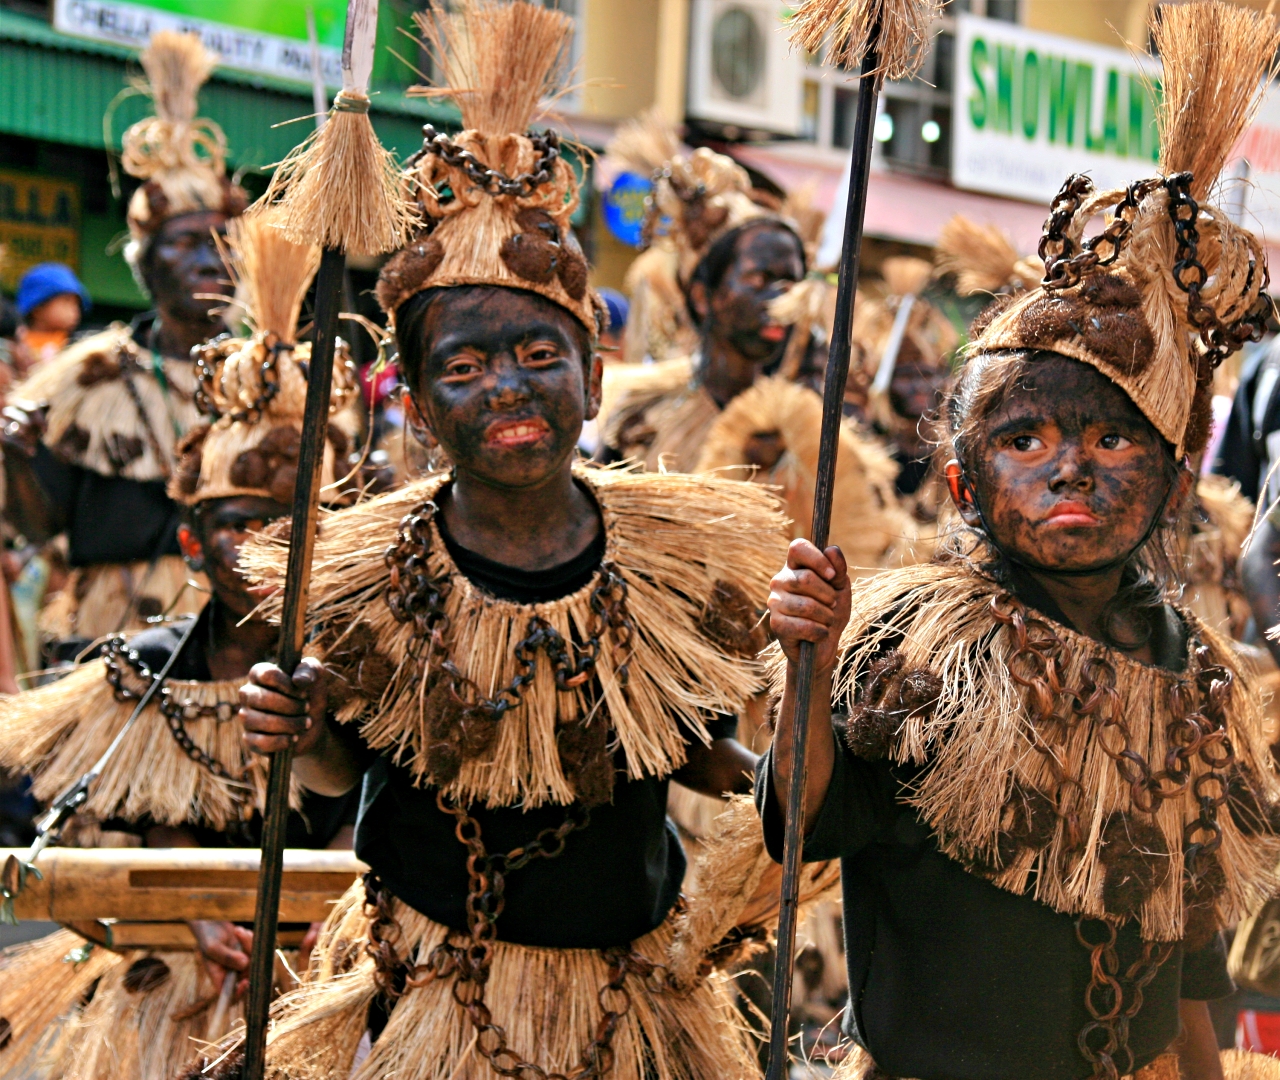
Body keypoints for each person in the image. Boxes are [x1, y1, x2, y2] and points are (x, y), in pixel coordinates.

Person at [183, 5, 814, 1079]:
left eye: (535, 352)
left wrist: (796, 742)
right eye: (464, 372)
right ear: (420, 410)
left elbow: (703, 753)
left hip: (626, 1002)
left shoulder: (669, 559)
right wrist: (298, 724)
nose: (507, 388)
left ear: (592, 376)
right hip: (434, 996)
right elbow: (342, 774)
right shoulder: (363, 568)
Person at [759, 4, 1280, 1079]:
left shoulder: (1189, 674)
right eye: (1024, 438)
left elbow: (1190, 968)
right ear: (961, 480)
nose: (1069, 468)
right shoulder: (910, 650)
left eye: (1109, 438)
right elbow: (798, 831)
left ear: (1173, 479)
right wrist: (804, 666)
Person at [0, 209, 362, 1080]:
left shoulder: (367, 676)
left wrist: (330, 925)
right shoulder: (128, 679)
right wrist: (180, 909)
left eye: (287, 523)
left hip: (328, 989)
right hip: (164, 984)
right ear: (194, 542)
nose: (261, 547)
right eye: (237, 525)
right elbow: (76, 842)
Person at [0, 31, 247, 654]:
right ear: (144, 263)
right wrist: (15, 458)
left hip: (238, 651)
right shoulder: (88, 377)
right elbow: (38, 525)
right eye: (185, 243)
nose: (208, 259)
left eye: (221, 242)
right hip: (106, 647)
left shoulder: (273, 375)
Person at [599, 143, 807, 471]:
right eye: (760, 279)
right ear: (701, 296)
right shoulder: (645, 420)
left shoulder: (804, 425)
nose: (783, 297)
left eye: (791, 282)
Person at [13, 262, 91, 372]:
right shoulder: (14, 345)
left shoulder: (76, 346)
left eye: (76, 304)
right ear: (37, 308)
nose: (75, 310)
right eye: (66, 301)